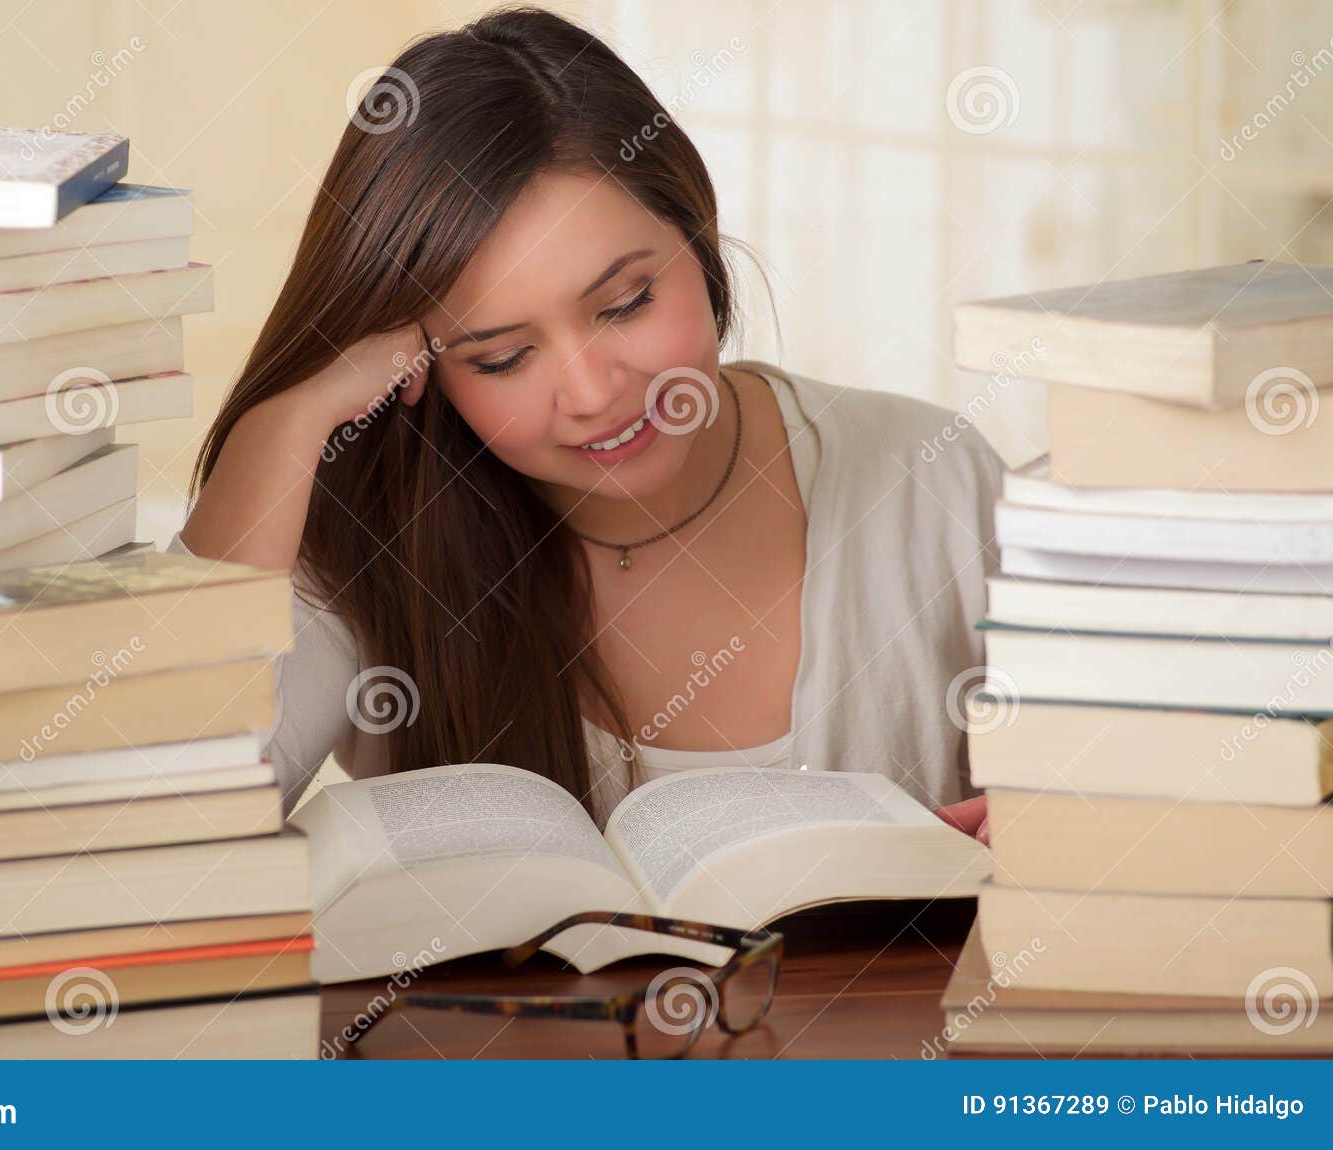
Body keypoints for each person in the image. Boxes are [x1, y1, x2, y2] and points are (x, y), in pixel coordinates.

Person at [172, 5, 1002, 844]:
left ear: (697, 233)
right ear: (422, 369)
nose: (593, 392)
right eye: (500, 357)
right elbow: (155, 835)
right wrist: (281, 427)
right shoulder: (366, 550)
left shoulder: (933, 483)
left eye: (626, 302)